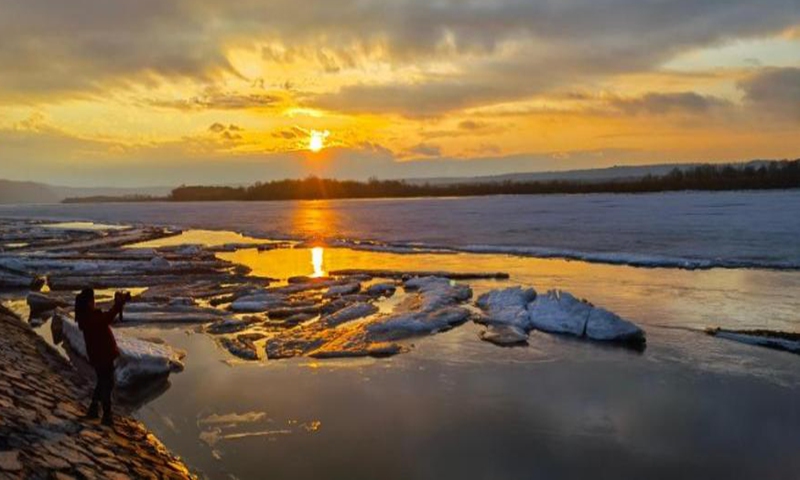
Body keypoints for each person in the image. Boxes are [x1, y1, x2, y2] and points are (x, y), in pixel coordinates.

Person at [74, 288, 127, 426]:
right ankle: (107, 416)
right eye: (92, 300)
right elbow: (107, 318)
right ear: (88, 303)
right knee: (107, 383)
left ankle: (93, 409)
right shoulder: (89, 317)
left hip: (99, 354)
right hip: (102, 354)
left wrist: (119, 304)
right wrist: (117, 305)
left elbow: (105, 319)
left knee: (102, 382)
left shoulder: (87, 316)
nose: (94, 302)